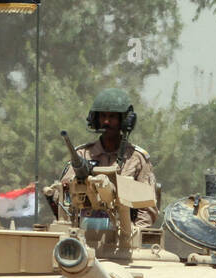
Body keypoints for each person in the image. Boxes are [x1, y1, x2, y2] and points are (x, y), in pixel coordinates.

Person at [58, 87, 159, 228]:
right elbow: (63, 197)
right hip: (83, 233)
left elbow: (147, 208)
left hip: (124, 237)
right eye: (102, 116)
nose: (106, 122)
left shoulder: (136, 158)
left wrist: (132, 234)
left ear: (124, 120)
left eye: (112, 117)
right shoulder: (82, 155)